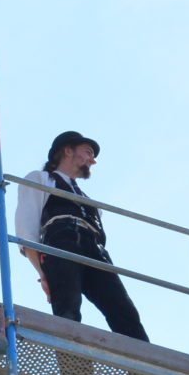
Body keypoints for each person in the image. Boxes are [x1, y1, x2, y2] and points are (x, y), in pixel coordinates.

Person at [11, 131, 149, 340]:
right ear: (68, 151)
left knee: (124, 311)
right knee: (68, 308)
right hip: (61, 243)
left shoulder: (90, 202)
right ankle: (75, 372)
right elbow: (27, 228)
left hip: (95, 250)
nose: (92, 161)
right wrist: (42, 272)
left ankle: (145, 372)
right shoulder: (40, 179)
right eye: (88, 152)